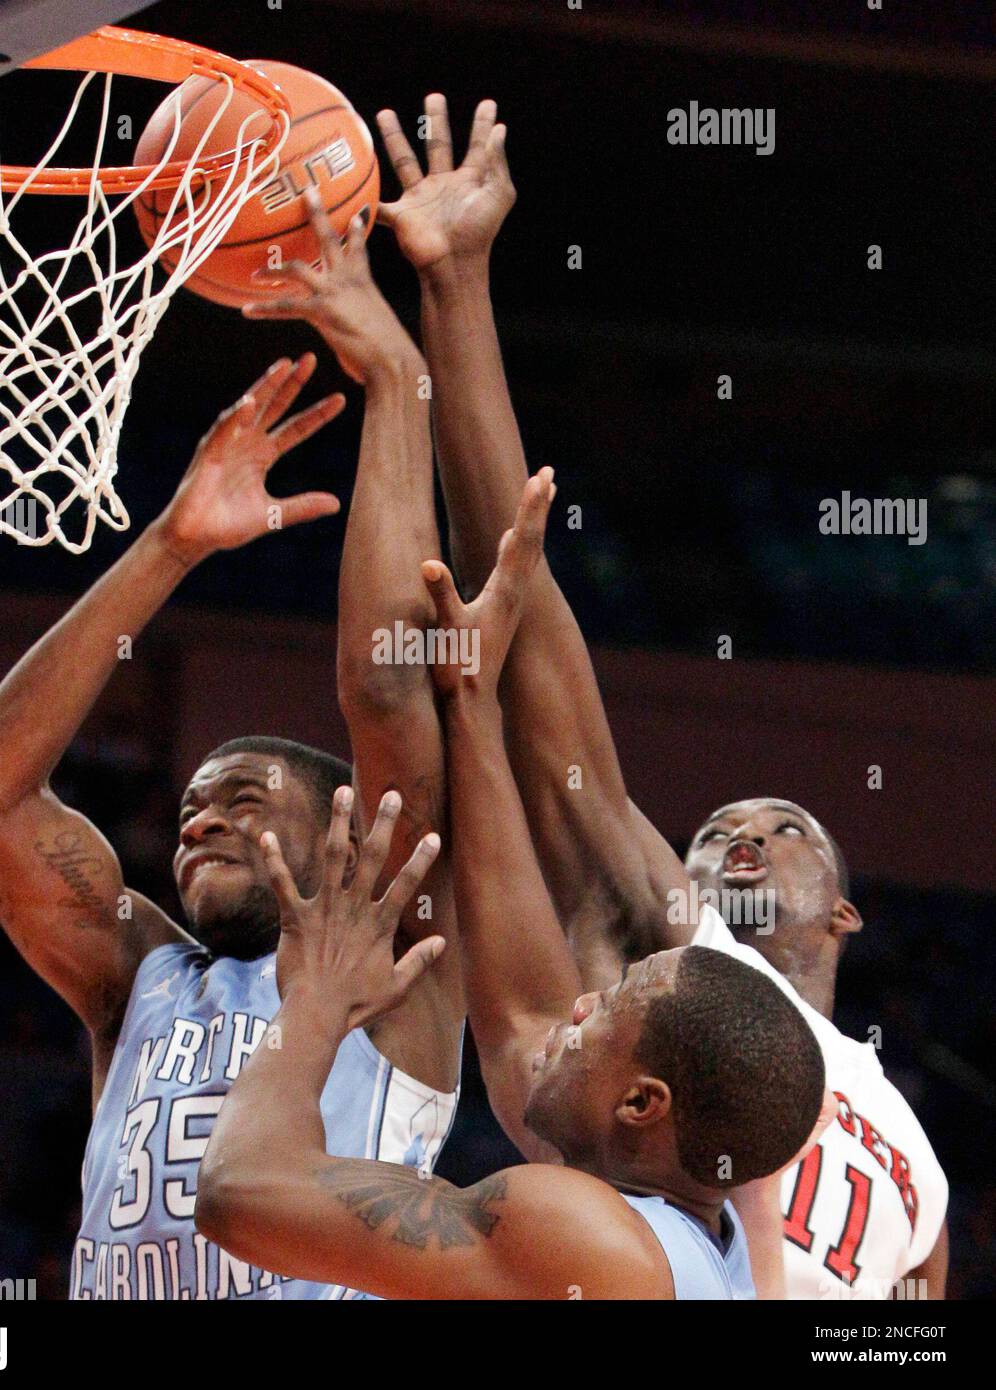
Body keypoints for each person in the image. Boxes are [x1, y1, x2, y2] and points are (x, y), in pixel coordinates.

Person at [372, 94, 949, 1299]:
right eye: (717, 829)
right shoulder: (688, 960)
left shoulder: (919, 1160)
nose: (743, 833)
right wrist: (460, 290)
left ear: (843, 914)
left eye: (786, 827)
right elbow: (526, 629)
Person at [195, 472, 826, 1300]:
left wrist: (315, 998)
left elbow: (239, 1194)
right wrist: (470, 701)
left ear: (641, 1102)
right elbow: (523, 1016)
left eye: (607, 1009)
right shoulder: (710, 1244)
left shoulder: (586, 1241)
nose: (577, 1004)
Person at [0, 345, 463, 1300]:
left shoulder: (399, 965)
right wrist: (171, 545)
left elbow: (388, 693)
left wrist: (394, 380)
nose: (200, 823)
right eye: (189, 810)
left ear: (342, 834)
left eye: (244, 801)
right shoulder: (142, 973)